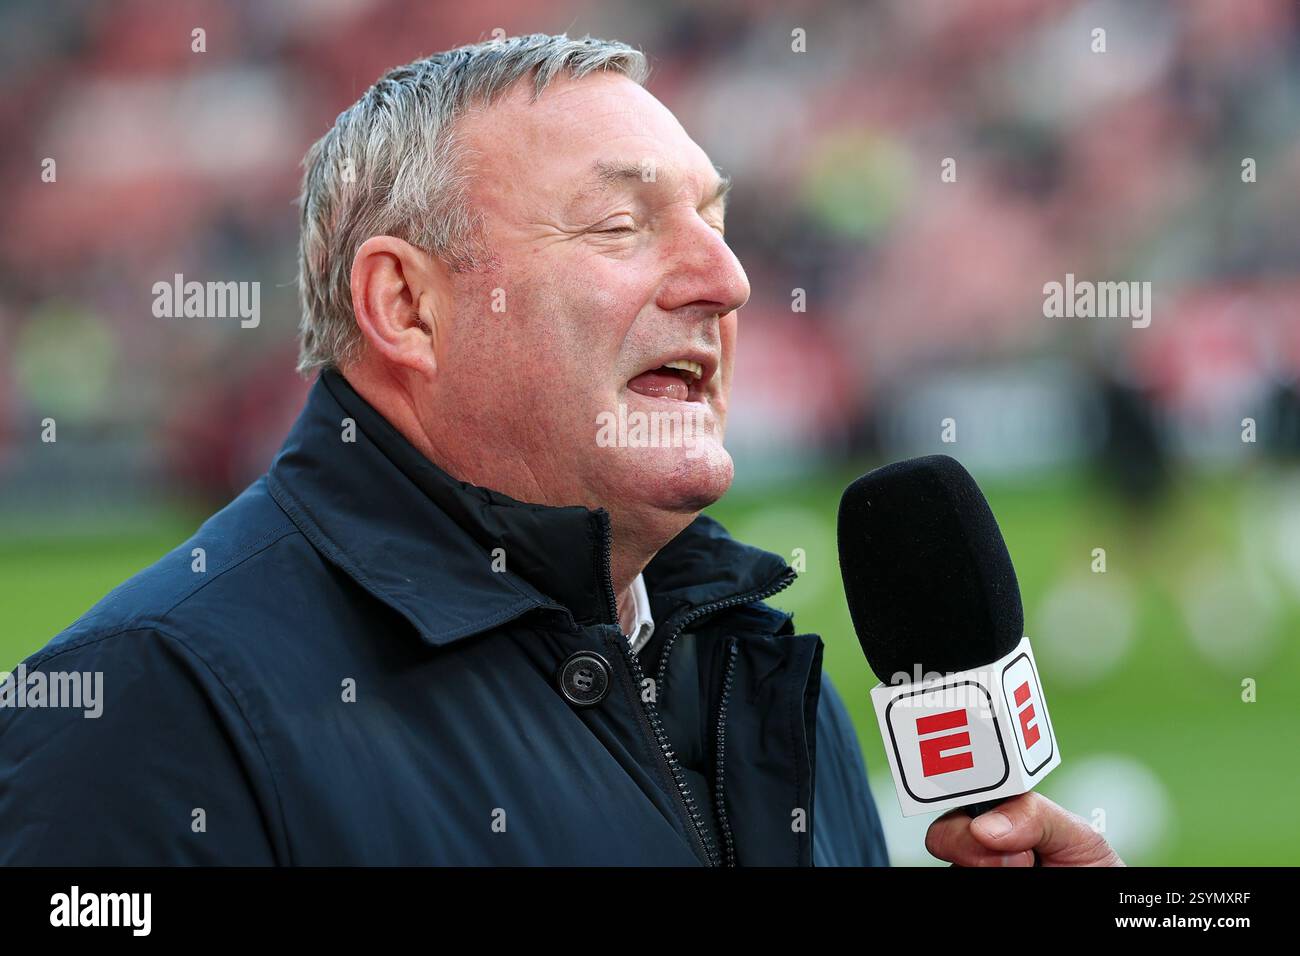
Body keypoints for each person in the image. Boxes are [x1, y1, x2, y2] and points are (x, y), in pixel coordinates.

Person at [0, 34, 1120, 867]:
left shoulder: (761, 676)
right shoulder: (148, 708)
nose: (726, 281)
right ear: (406, 303)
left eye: (715, 222)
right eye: (622, 227)